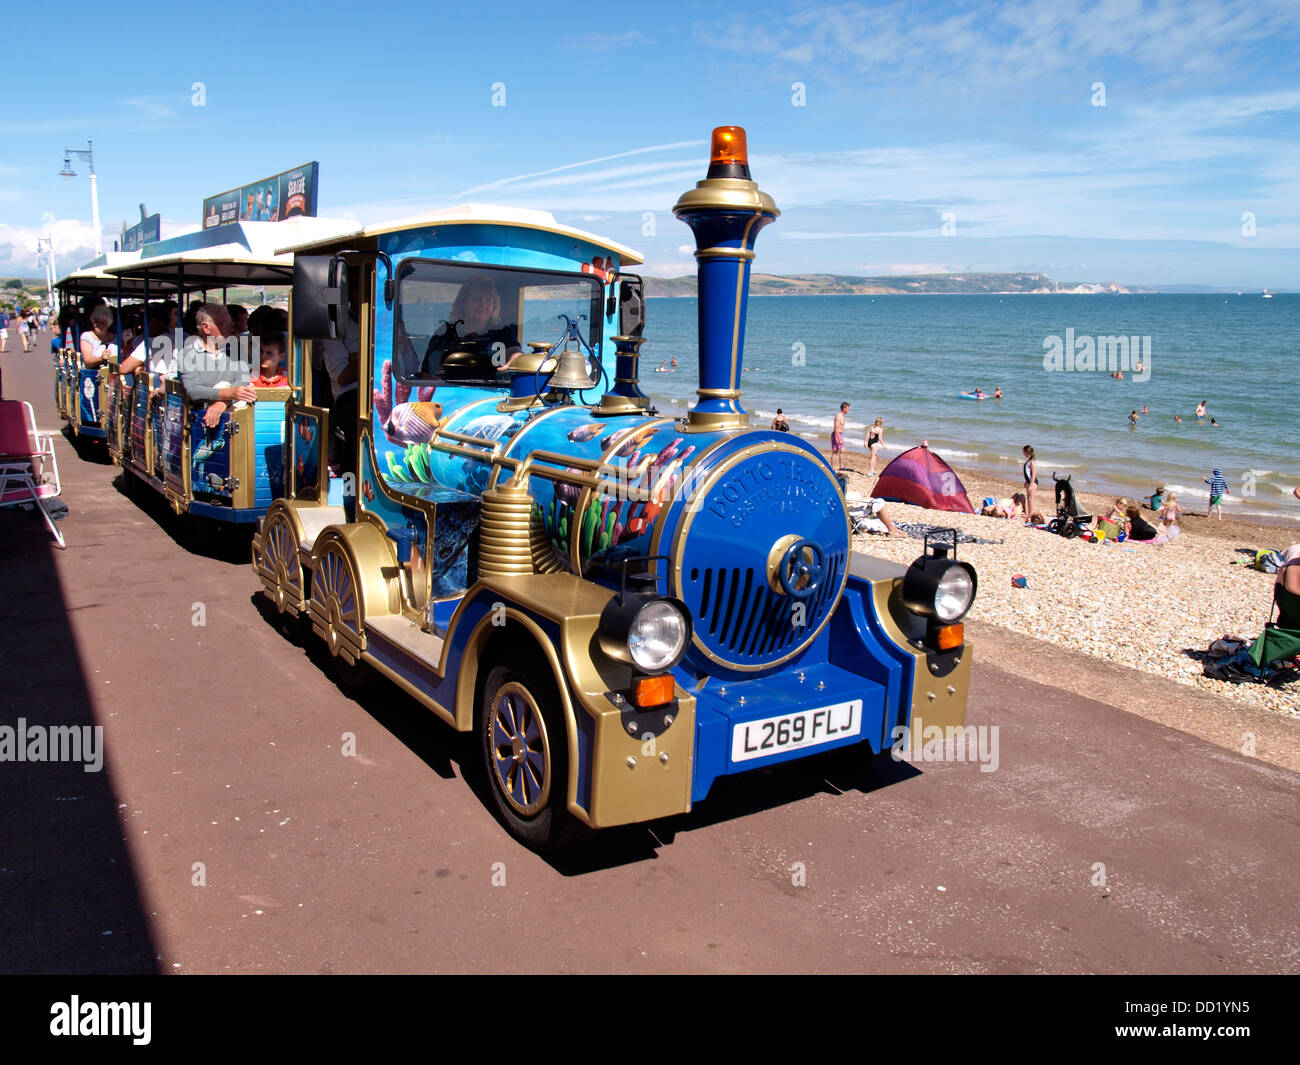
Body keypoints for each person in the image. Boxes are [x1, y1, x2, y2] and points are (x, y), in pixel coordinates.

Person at [178, 303, 257, 429]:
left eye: (230, 324)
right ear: (206, 328)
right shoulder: (187, 354)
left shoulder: (236, 350)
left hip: (233, 420)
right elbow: (194, 391)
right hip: (199, 421)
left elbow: (242, 379)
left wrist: (221, 403)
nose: (230, 329)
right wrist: (228, 393)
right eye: (225, 325)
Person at [422, 278, 520, 375]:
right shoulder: (446, 332)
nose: (483, 305)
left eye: (488, 300)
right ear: (463, 302)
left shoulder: (502, 331)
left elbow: (515, 352)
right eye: (476, 299)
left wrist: (516, 359)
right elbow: (427, 374)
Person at [1022, 444, 1038, 521]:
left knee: (1031, 499)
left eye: (1023, 452)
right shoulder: (1028, 461)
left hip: (1033, 482)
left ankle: (1031, 515)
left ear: (1026, 452)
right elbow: (1027, 473)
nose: (1023, 453)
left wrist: (1031, 483)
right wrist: (1026, 482)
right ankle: (1029, 514)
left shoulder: (1032, 462)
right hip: (1028, 482)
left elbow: (1034, 473)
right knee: (1028, 499)